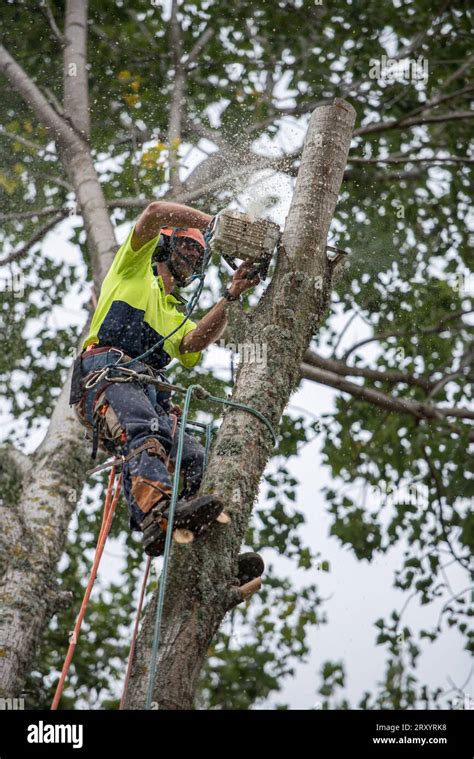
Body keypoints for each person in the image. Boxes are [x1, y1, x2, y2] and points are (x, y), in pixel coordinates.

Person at [69, 201, 264, 582]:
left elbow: (192, 342)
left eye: (199, 251)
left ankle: (215, 555)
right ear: (165, 245)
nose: (194, 253)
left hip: (145, 389)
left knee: (194, 458)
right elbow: (155, 212)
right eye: (187, 244)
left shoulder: (175, 312)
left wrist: (232, 296)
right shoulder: (133, 269)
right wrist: (214, 226)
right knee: (146, 431)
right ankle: (156, 515)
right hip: (107, 375)